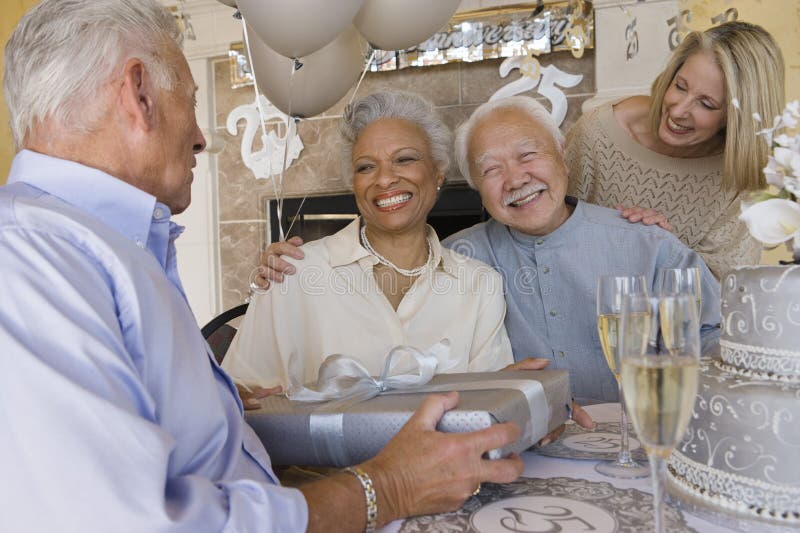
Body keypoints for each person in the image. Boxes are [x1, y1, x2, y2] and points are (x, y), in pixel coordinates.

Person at [0, 2, 527, 531]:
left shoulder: (114, 250)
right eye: (193, 100)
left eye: (405, 160)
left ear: (439, 177)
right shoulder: (28, 258)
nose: (203, 138)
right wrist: (384, 487)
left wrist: (225, 400)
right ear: (139, 95)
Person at [261, 96, 721, 405]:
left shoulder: (646, 243)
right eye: (491, 169)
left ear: (563, 154)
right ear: (478, 189)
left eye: (528, 155)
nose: (516, 179)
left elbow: (720, 349)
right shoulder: (461, 264)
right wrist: (277, 272)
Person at [222, 91, 518, 396]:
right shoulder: (291, 271)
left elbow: (490, 403)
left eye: (404, 159)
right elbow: (236, 394)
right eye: (366, 167)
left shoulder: (480, 285)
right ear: (354, 182)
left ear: (438, 172)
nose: (385, 179)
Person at [565, 21, 785, 278]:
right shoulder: (598, 134)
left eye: (706, 104)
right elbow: (551, 237)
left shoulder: (736, 176)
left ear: (736, 118)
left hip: (683, 319)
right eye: (680, 86)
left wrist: (667, 250)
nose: (678, 111)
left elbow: (727, 291)